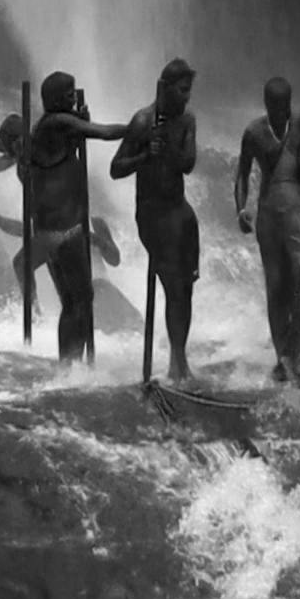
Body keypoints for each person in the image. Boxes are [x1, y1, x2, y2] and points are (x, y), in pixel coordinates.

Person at [0, 68, 105, 359]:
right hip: (54, 233)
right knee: (74, 298)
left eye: (22, 141)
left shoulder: (37, 150)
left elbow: (62, 147)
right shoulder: (27, 164)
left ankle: (69, 356)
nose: (20, 147)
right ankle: (37, 316)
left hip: (59, 231)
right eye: (14, 144)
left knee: (78, 301)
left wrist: (79, 125)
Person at [237, 73, 300, 379]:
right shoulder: (254, 132)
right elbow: (242, 172)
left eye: (283, 107)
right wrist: (241, 207)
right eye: (273, 106)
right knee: (276, 284)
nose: (278, 112)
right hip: (268, 214)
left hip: (297, 207)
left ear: (289, 104)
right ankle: (283, 356)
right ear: (266, 104)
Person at [110, 58, 202, 384]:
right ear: (164, 88)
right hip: (152, 211)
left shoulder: (187, 121)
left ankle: (180, 358)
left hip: (179, 209)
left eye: (189, 91)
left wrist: (168, 150)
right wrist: (146, 153)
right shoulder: (142, 120)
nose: (186, 98)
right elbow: (116, 168)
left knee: (186, 288)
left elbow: (188, 164)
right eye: (181, 91)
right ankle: (177, 363)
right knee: (174, 286)